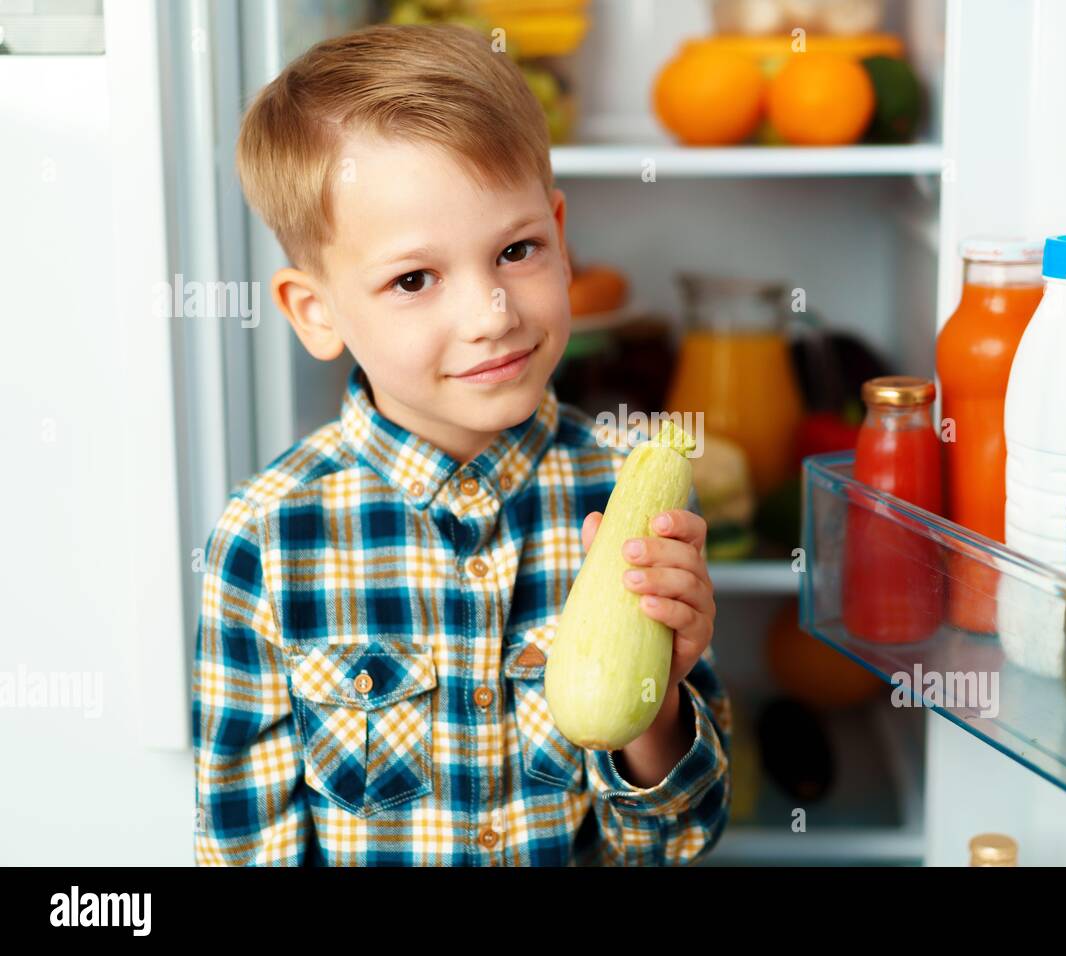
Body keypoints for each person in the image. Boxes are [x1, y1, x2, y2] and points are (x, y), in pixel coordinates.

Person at [191, 23, 728, 865]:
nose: (494, 314)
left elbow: (679, 840)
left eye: (517, 250)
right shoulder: (264, 540)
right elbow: (242, 842)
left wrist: (656, 709)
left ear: (559, 232)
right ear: (315, 311)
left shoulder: (628, 500)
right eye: (415, 279)